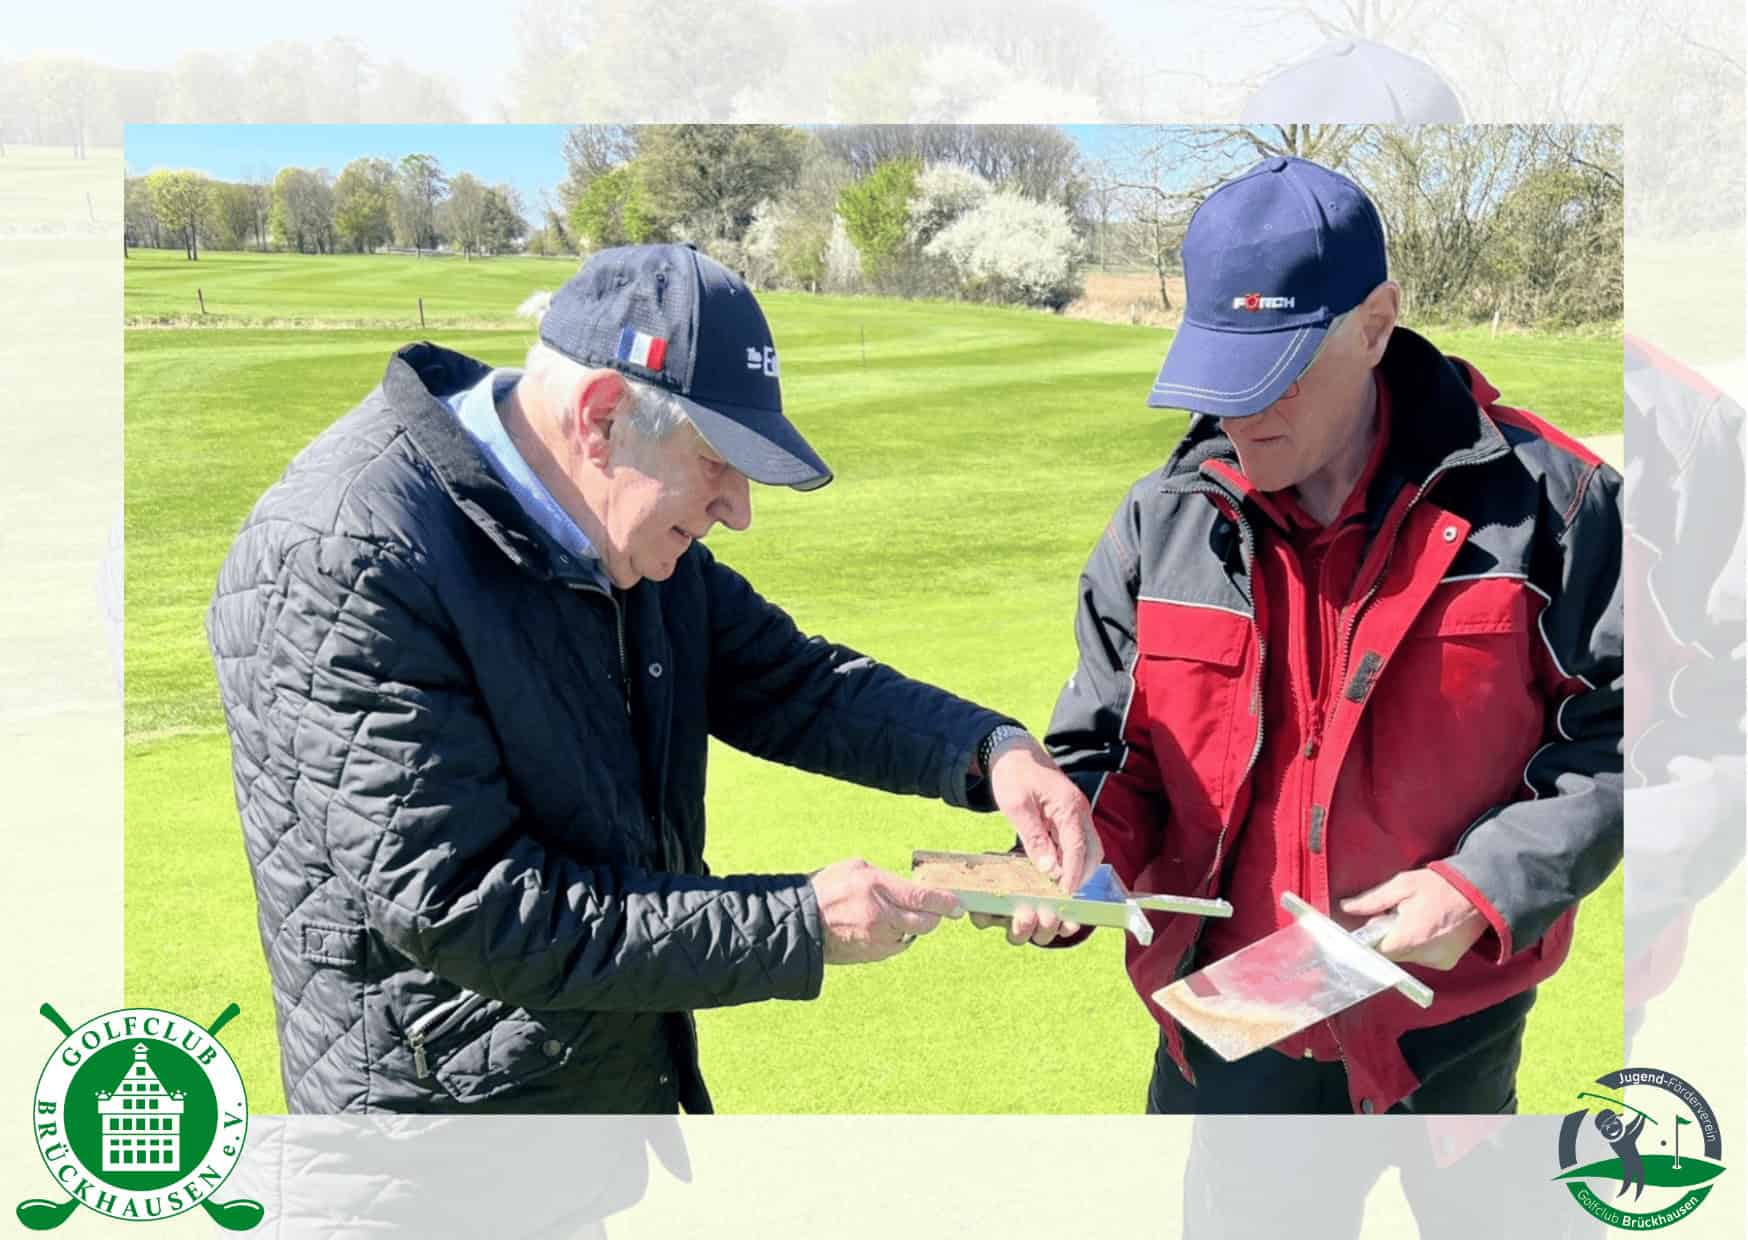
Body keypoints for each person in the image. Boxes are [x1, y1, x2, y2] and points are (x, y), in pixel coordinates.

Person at [205, 242, 1099, 1114]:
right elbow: (469, 904)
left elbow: (793, 682)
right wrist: (796, 924)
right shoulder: (348, 553)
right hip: (425, 1146)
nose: (739, 512)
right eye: (717, 462)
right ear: (600, 417)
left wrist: (991, 753)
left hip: (573, 1093)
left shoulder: (614, 527)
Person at [1041, 156, 1623, 1121]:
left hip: (1450, 1022)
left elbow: (1623, 742)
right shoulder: (1159, 524)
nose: (1239, 413)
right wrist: (1077, 860)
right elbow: (1105, 757)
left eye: (1275, 375)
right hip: (1226, 1030)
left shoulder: (1553, 507)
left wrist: (1484, 886)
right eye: (1222, 373)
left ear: (1375, 323)